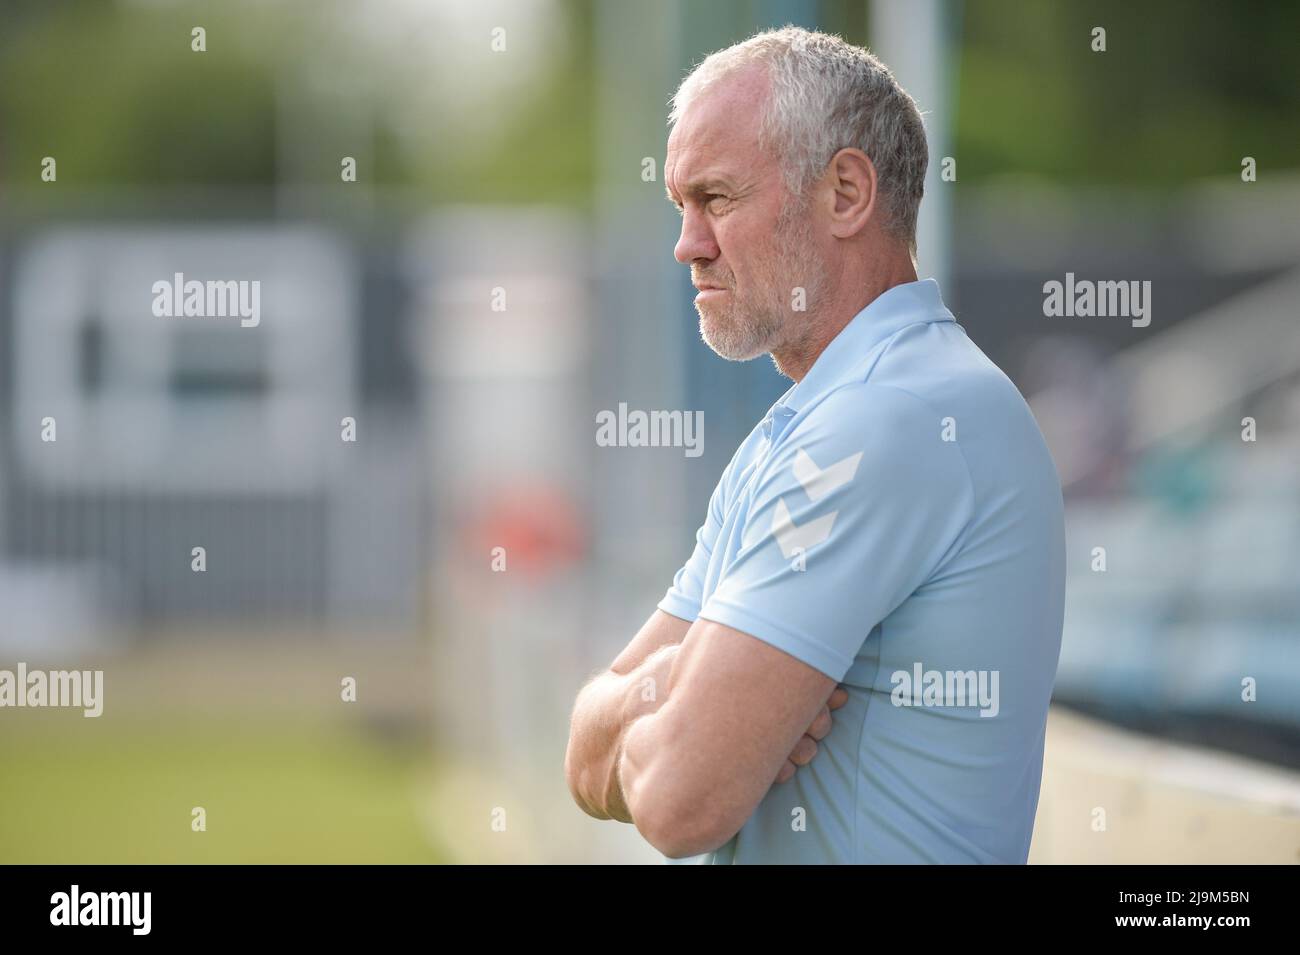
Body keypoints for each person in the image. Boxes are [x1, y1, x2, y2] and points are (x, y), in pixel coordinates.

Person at [564, 26, 1065, 863]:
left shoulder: (890, 416)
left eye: (717, 198)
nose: (688, 244)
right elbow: (583, 757)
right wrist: (681, 683)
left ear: (845, 193)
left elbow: (677, 798)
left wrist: (680, 713)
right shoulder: (811, 424)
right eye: (679, 207)